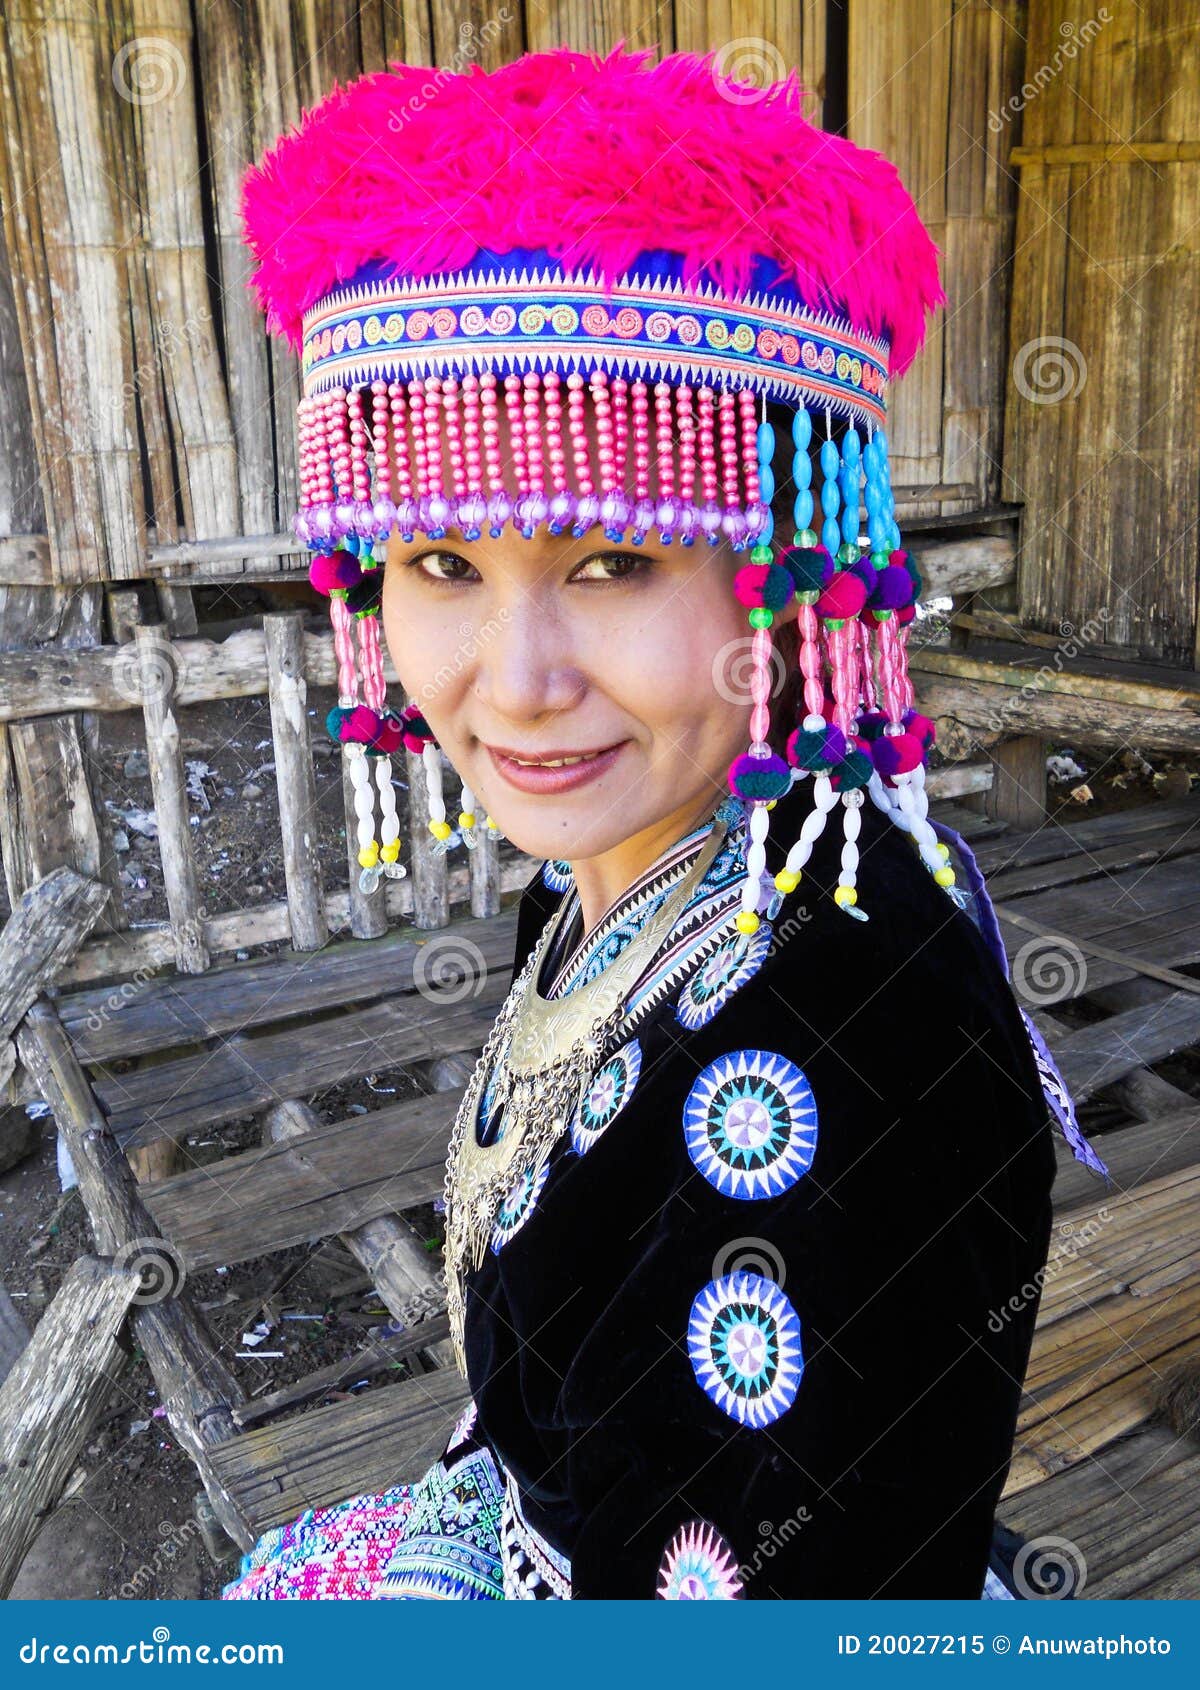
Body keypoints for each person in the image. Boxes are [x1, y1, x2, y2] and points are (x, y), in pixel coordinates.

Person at [222, 43, 1105, 1601]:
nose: (516, 682)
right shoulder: (638, 862)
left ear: (782, 557)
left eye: (613, 561)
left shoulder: (853, 1012)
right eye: (440, 563)